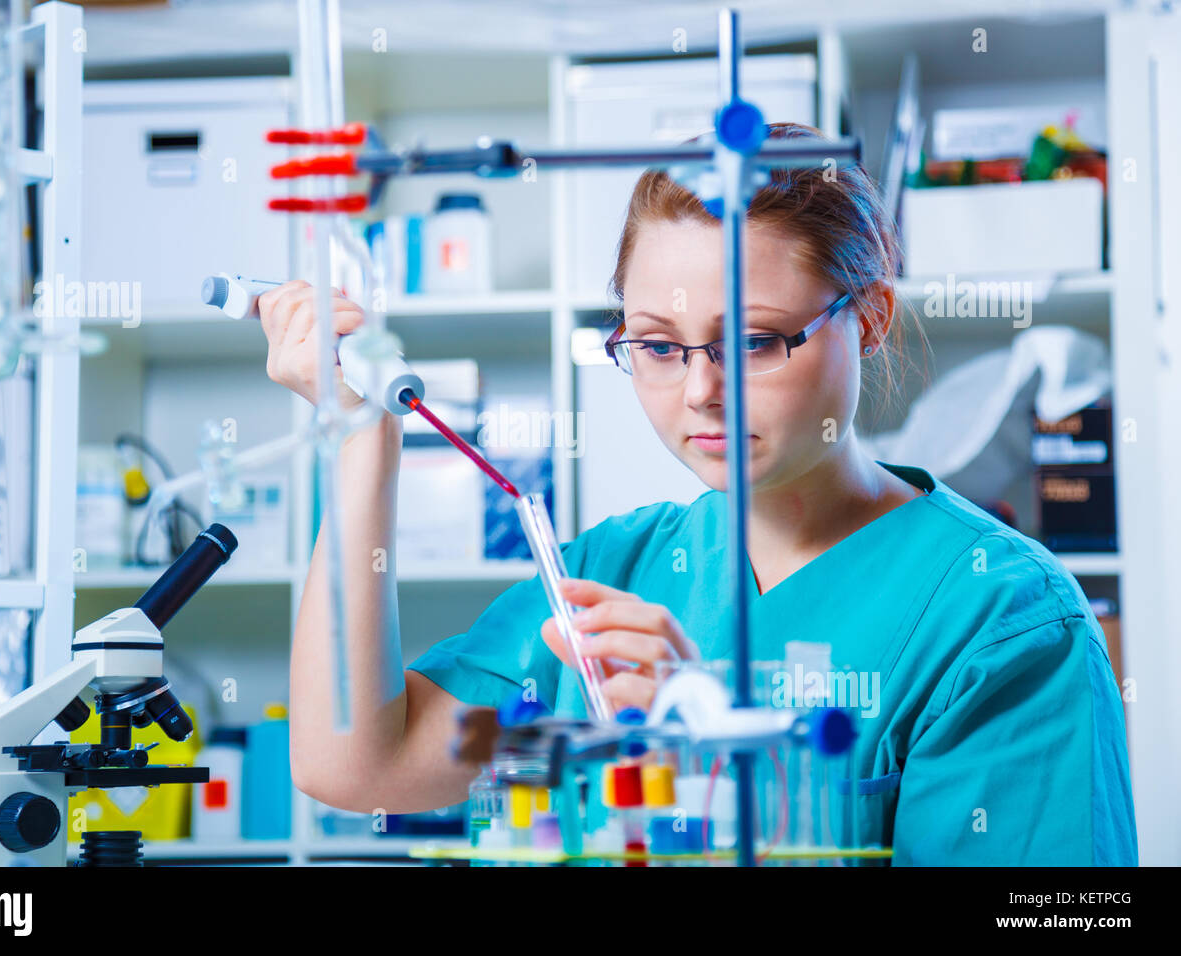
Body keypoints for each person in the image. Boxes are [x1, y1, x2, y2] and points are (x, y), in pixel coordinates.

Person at [258, 122, 1137, 866]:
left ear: (868, 317)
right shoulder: (612, 569)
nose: (700, 392)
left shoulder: (1001, 618)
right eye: (655, 344)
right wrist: (358, 436)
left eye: (752, 341)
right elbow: (357, 764)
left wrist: (716, 771)